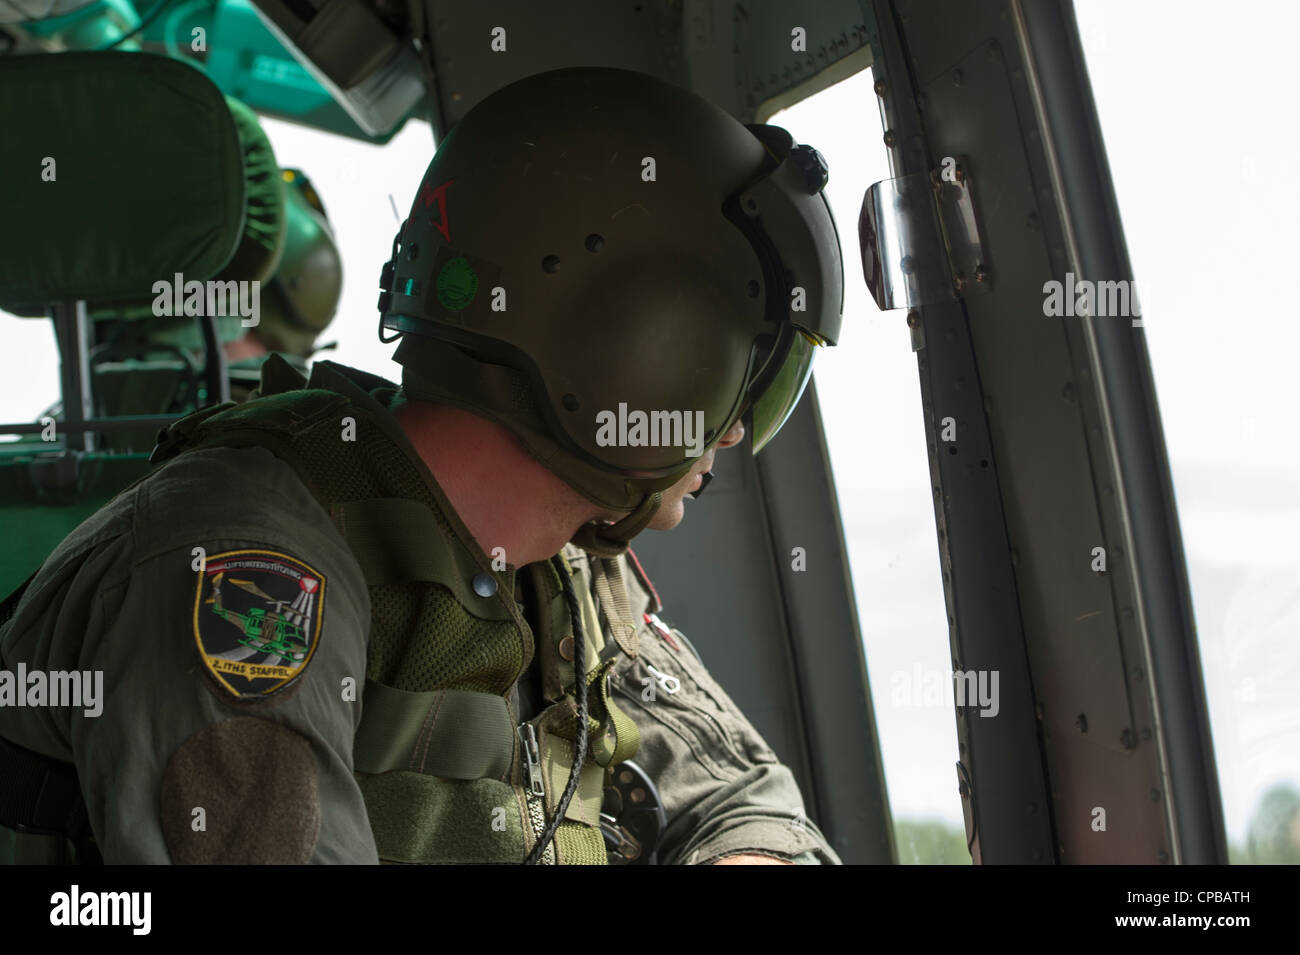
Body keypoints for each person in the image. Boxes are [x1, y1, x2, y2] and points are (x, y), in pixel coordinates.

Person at [0, 65, 844, 864]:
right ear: (636, 346)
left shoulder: (571, 564)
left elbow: (738, 791)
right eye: (744, 372)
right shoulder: (246, 571)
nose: (732, 434)